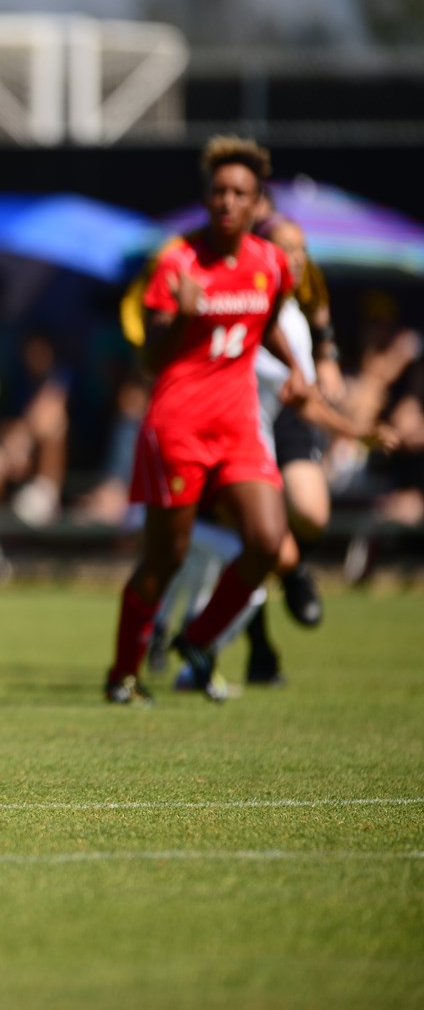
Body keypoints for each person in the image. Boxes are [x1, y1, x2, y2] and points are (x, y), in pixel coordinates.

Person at [104, 135, 309, 706]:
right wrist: (178, 322)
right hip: (179, 428)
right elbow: (148, 356)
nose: (225, 202)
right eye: (217, 191)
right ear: (207, 196)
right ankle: (123, 672)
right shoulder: (176, 262)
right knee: (165, 558)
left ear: (255, 204)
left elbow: (264, 323)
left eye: (238, 193)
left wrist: (295, 368)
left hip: (238, 425)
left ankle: (198, 638)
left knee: (268, 542)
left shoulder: (269, 263)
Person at [149, 216, 394, 689]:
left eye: (302, 251)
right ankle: (171, 644)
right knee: (229, 555)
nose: (297, 261)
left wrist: (352, 429)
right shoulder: (240, 304)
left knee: (239, 557)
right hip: (204, 450)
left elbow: (300, 396)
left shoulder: (293, 322)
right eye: (286, 250)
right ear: (263, 255)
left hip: (240, 455)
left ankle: (193, 653)